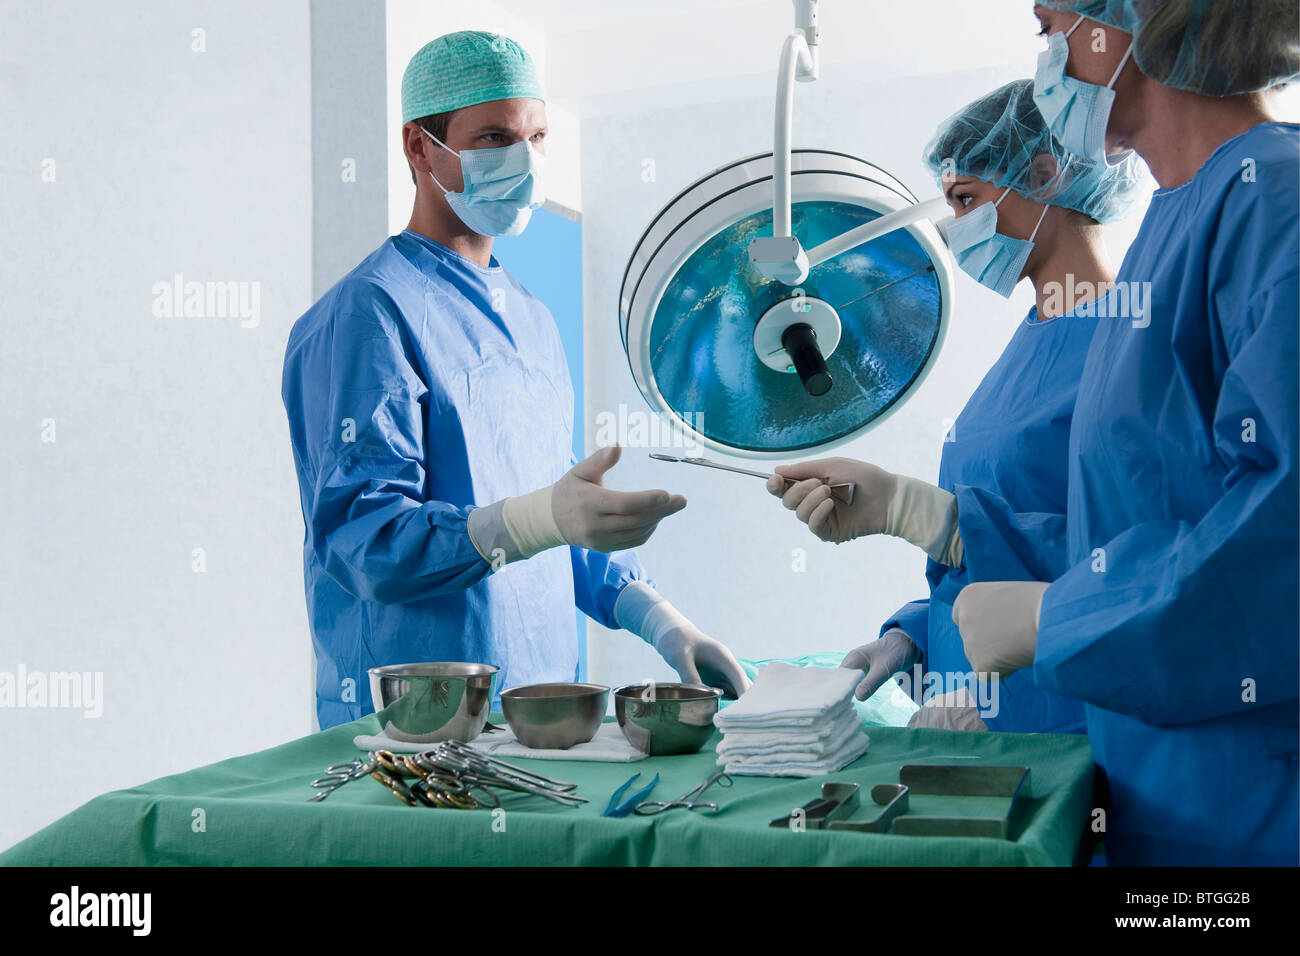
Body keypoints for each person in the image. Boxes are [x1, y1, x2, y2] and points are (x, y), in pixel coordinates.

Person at [282, 31, 750, 729]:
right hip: (413, 726)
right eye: (496, 136)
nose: (524, 161)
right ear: (418, 148)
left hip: (543, 711)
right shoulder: (369, 312)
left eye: (537, 137)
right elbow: (365, 539)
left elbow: (555, 517)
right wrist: (539, 519)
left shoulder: (530, 320)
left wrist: (661, 622)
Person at [953, 1, 1298, 865]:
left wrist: (1056, 618)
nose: (1046, 60)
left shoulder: (1275, 202)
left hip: (1251, 799)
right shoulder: (1167, 229)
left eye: (1051, 27)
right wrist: (947, 525)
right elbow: (1130, 516)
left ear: (1139, 19)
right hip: (1153, 779)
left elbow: (1282, 530)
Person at [767, 80, 1143, 734]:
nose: (953, 229)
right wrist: (913, 636)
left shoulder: (1135, 347)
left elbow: (1135, 561)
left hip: (1069, 724)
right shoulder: (1027, 351)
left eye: (966, 199)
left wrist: (916, 513)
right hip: (978, 719)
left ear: (1046, 174)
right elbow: (993, 544)